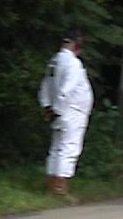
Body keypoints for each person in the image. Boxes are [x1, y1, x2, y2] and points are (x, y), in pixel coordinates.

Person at [37, 29, 92, 203]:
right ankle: (60, 187)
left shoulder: (54, 61)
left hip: (61, 111)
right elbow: (66, 89)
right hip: (71, 111)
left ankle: (50, 183)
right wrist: (58, 109)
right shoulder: (73, 63)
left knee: (56, 148)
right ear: (76, 44)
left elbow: (45, 86)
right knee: (69, 148)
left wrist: (47, 107)